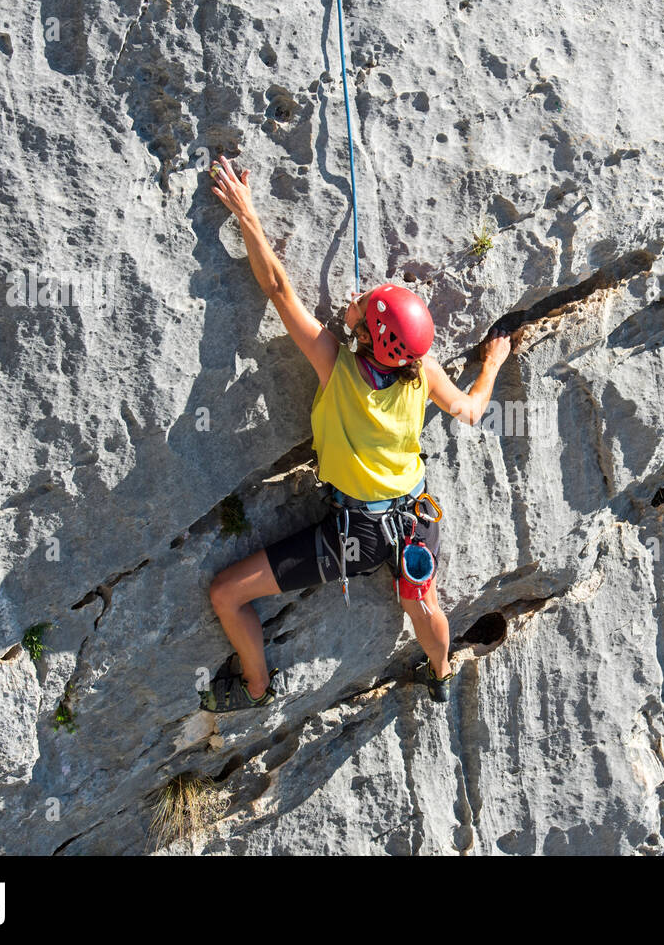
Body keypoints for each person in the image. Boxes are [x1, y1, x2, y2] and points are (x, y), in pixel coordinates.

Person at [199, 155, 511, 711]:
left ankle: (255, 687)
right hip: (418, 515)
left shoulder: (334, 366)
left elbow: (277, 289)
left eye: (366, 310)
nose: (358, 304)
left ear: (370, 335)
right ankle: (441, 671)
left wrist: (246, 212)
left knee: (226, 593)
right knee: (423, 603)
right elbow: (469, 410)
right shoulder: (423, 371)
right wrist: (491, 364)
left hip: (358, 536)